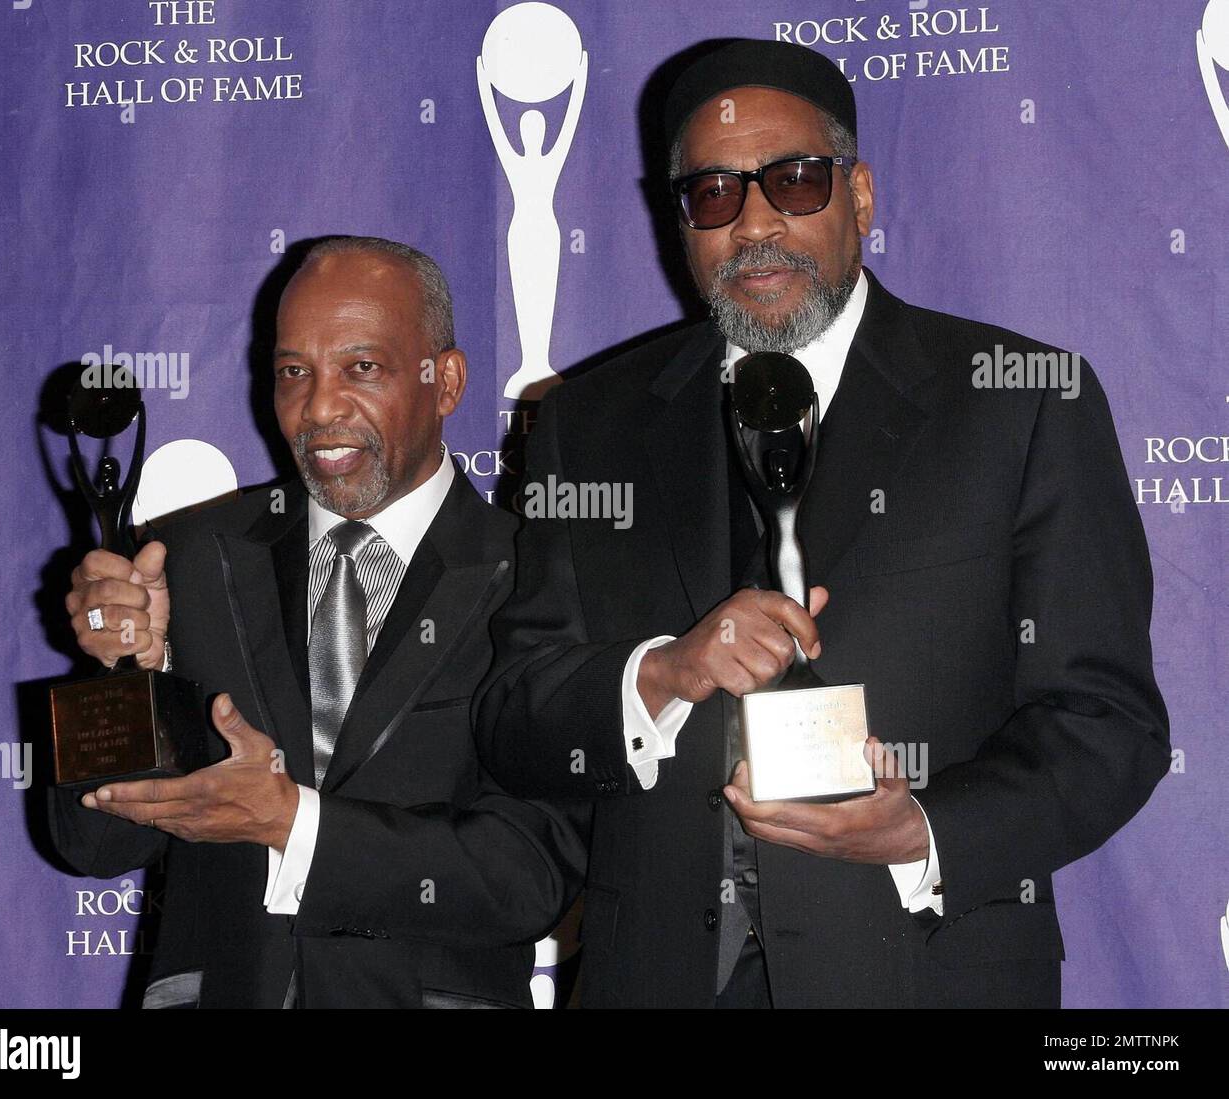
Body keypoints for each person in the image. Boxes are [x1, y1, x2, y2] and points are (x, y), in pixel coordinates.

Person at [473, 39, 1170, 1008]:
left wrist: (921, 829)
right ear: (680, 222)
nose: (755, 223)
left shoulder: (1018, 404)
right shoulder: (587, 424)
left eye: (794, 182)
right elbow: (513, 718)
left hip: (926, 973)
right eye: (714, 193)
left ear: (861, 196)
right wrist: (659, 673)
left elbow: (1107, 725)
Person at [50, 236, 585, 1008]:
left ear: (448, 380)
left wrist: (294, 823)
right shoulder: (190, 560)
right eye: (293, 372)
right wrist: (132, 673)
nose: (320, 408)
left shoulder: (533, 573)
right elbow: (94, 843)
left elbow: (530, 871)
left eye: (361, 368)